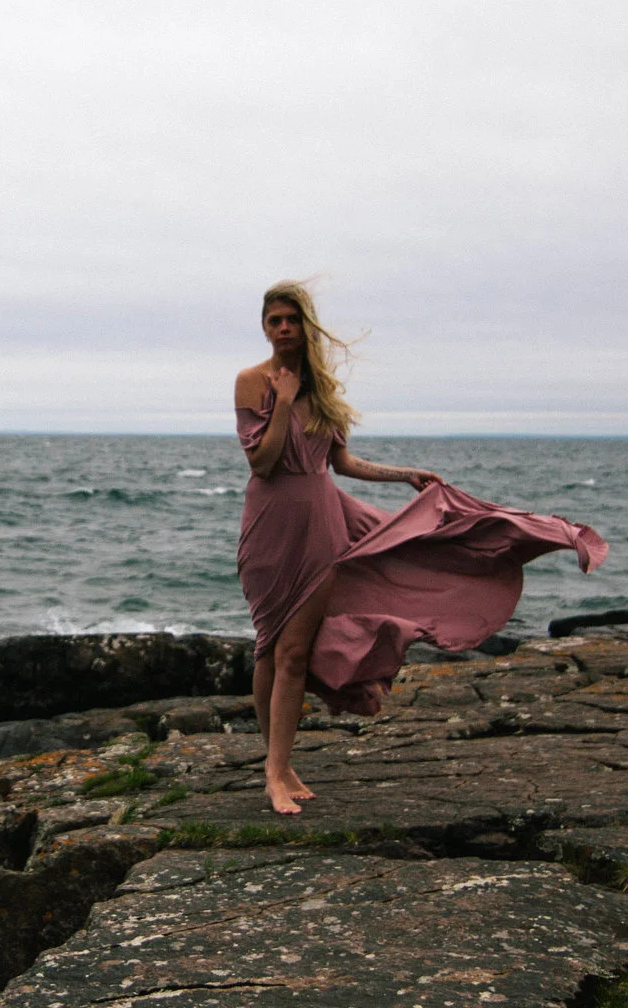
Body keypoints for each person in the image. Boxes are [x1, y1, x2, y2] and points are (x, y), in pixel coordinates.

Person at [235, 282, 608, 815]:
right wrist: (284, 403)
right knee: (268, 645)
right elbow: (262, 462)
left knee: (293, 652)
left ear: (307, 325)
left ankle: (279, 767)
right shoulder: (252, 382)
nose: (284, 328)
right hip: (269, 528)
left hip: (321, 528)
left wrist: (403, 474)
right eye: (275, 320)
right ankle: (275, 766)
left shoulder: (323, 391)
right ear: (264, 327)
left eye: (292, 319)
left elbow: (341, 464)